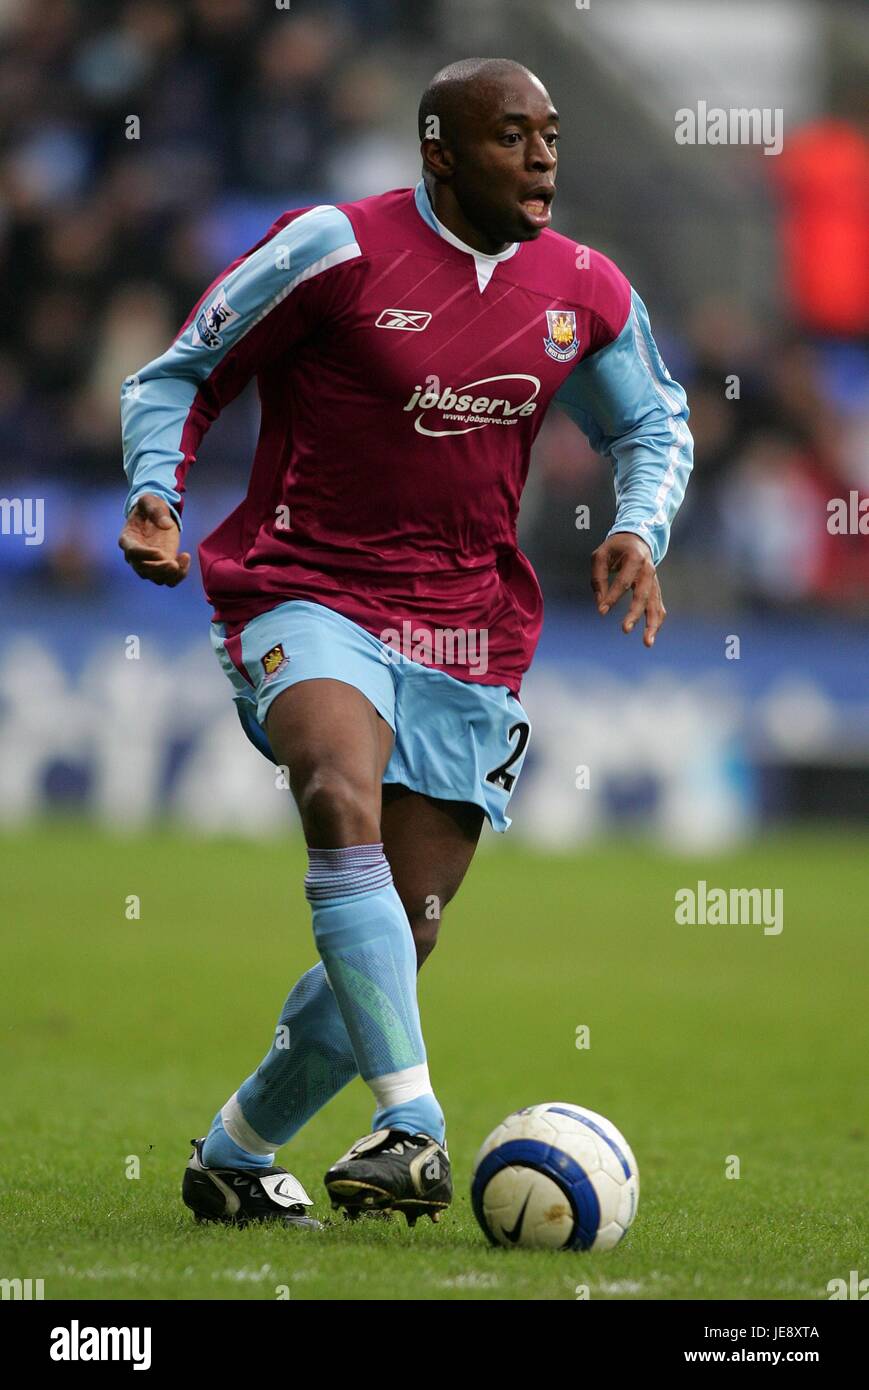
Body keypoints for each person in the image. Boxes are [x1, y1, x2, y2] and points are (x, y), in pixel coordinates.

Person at [118, 57, 693, 1230]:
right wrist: (155, 492)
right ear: (436, 150)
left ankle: (235, 1154)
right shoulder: (332, 248)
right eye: (508, 135)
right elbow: (181, 373)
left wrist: (638, 526)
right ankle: (413, 1127)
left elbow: (652, 420)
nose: (540, 157)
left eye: (549, 134)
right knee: (338, 790)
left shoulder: (580, 287)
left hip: (467, 629)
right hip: (305, 591)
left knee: (402, 933)